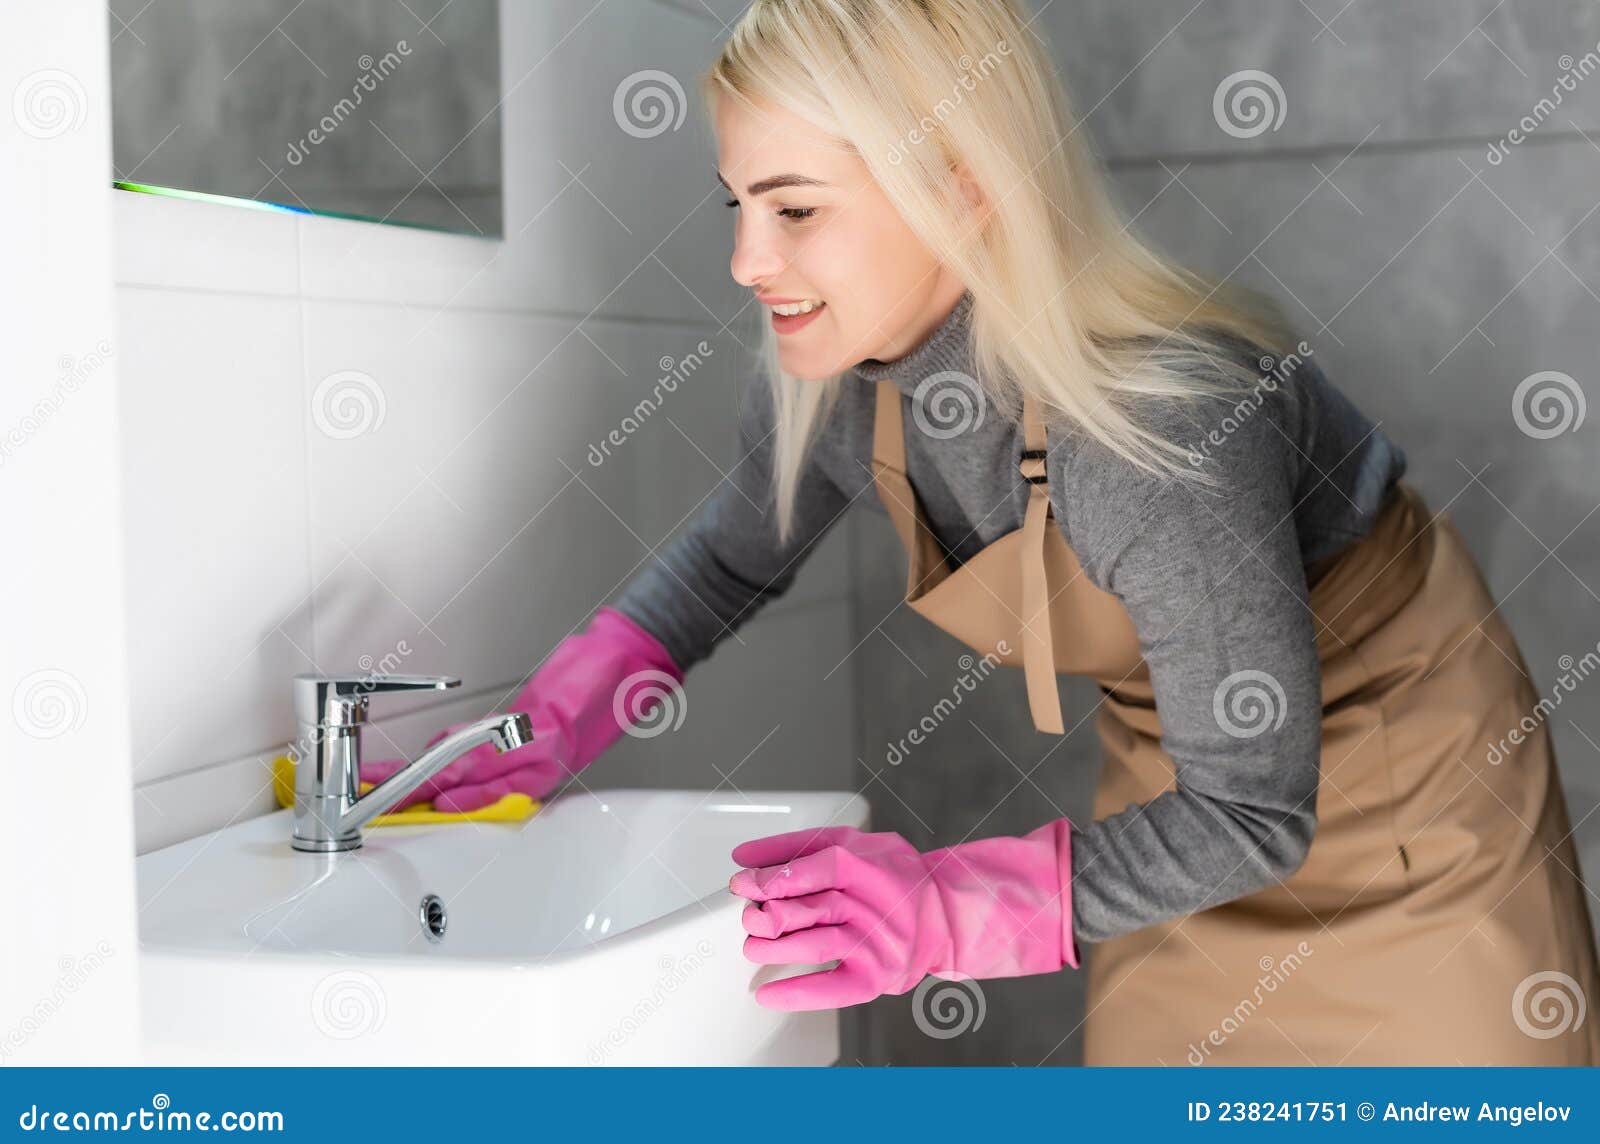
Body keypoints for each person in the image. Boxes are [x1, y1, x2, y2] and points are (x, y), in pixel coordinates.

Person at [368, 0, 1600, 1065]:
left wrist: (948, 911)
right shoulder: (831, 379)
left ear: (958, 189)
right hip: (1180, 804)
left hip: (1402, 798)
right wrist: (545, 727)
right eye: (737, 202)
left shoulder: (1153, 432)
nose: (746, 259)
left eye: (795, 208)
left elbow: (1253, 816)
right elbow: (732, 555)